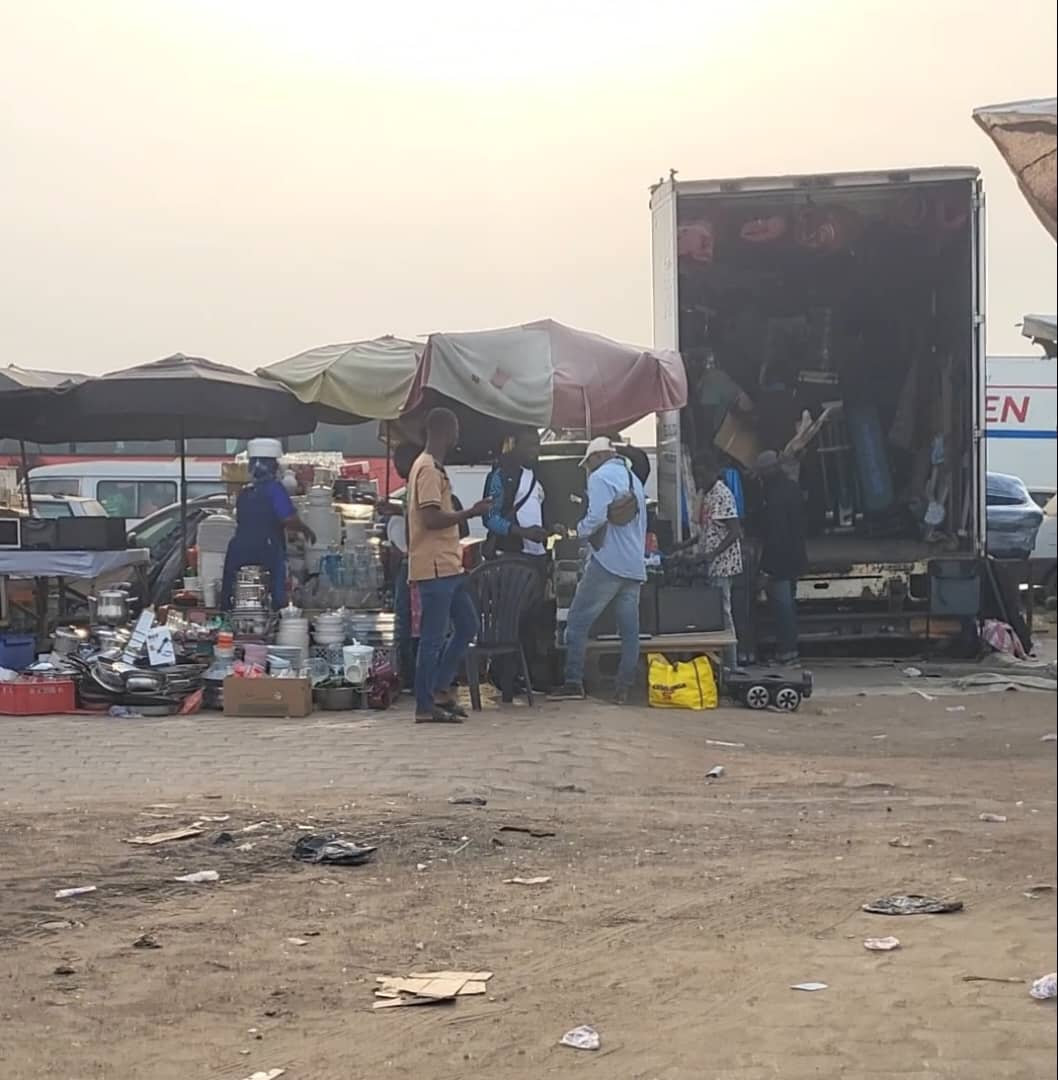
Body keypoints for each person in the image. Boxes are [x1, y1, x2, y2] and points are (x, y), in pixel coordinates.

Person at [406, 408, 490, 724]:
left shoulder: (433, 468)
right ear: (445, 431)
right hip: (435, 567)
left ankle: (439, 688)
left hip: (448, 565)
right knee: (432, 638)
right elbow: (430, 518)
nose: (458, 436)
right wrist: (470, 512)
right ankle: (425, 705)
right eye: (455, 429)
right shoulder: (427, 469)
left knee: (467, 625)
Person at [550, 437, 647, 705]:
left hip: (608, 563)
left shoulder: (600, 478)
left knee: (577, 623)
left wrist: (575, 533)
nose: (588, 469)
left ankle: (573, 682)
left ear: (595, 457)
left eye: (587, 463)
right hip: (633, 566)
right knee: (629, 631)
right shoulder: (633, 479)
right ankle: (623, 689)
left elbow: (596, 517)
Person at [221, 444, 316, 610]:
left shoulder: (245, 493)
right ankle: (274, 620)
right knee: (273, 594)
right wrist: (305, 529)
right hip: (267, 546)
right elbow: (288, 518)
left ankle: (228, 619)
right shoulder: (274, 490)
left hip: (238, 548)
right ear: (274, 467)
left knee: (233, 591)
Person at [690, 453, 743, 668]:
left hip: (723, 564)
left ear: (713, 473)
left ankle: (731, 665)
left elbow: (734, 532)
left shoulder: (722, 494)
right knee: (715, 613)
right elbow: (709, 530)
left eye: (702, 475)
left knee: (723, 613)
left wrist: (713, 554)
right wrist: (684, 546)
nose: (699, 480)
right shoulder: (708, 494)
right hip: (711, 563)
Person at [755, 449, 806, 664]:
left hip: (779, 561)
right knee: (788, 606)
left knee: (783, 608)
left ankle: (787, 653)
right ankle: (788, 650)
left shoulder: (773, 496)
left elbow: (775, 534)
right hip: (795, 556)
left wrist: (766, 569)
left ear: (767, 471)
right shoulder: (792, 488)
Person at [482, 427, 548, 557]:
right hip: (508, 553)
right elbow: (489, 518)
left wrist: (551, 526)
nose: (534, 450)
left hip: (537, 554)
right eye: (528, 445)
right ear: (515, 445)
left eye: (536, 445)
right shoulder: (500, 474)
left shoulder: (539, 474)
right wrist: (522, 532)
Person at [387, 442, 421, 690]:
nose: (396, 467)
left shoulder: (419, 485)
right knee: (413, 623)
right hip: (414, 562)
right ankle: (412, 676)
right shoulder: (411, 488)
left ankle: (410, 677)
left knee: (407, 624)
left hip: (415, 564)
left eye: (400, 461)